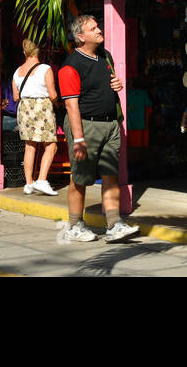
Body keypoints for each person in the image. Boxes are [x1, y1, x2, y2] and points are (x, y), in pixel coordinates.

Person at [58, 15, 138, 243]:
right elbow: (71, 105)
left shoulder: (105, 56)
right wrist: (78, 139)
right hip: (86, 126)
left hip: (111, 125)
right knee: (80, 178)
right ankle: (74, 225)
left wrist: (117, 84)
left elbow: (110, 84)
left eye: (98, 26)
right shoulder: (70, 66)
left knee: (110, 175)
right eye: (93, 29)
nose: (99, 30)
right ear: (81, 37)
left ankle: (114, 224)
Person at [14, 38, 59, 195]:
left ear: (24, 52)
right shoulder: (45, 69)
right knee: (51, 145)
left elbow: (15, 96)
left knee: (30, 146)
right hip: (42, 107)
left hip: (24, 107)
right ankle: (41, 179)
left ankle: (28, 184)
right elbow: (52, 94)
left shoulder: (17, 71)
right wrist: (58, 104)